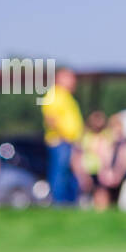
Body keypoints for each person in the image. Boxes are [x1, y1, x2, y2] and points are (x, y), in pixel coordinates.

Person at [41, 68, 83, 205]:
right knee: (60, 173)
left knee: (69, 175)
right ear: (59, 79)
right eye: (70, 78)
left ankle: (69, 202)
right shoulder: (55, 94)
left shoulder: (66, 96)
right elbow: (50, 118)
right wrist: (65, 136)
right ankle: (59, 203)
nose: (74, 81)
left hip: (69, 142)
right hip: (61, 141)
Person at [73, 111, 113, 209]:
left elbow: (108, 154)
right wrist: (80, 173)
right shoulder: (84, 136)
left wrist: (106, 169)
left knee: (101, 193)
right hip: (86, 170)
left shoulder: (107, 136)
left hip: (101, 170)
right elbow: (77, 156)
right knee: (85, 196)